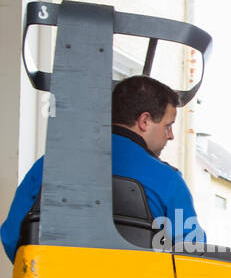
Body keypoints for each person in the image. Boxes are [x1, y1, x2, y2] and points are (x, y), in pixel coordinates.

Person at [2, 75, 205, 261]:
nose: (170, 136)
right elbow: (192, 255)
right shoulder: (168, 180)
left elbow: (12, 236)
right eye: (168, 126)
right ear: (144, 121)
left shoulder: (49, 165)